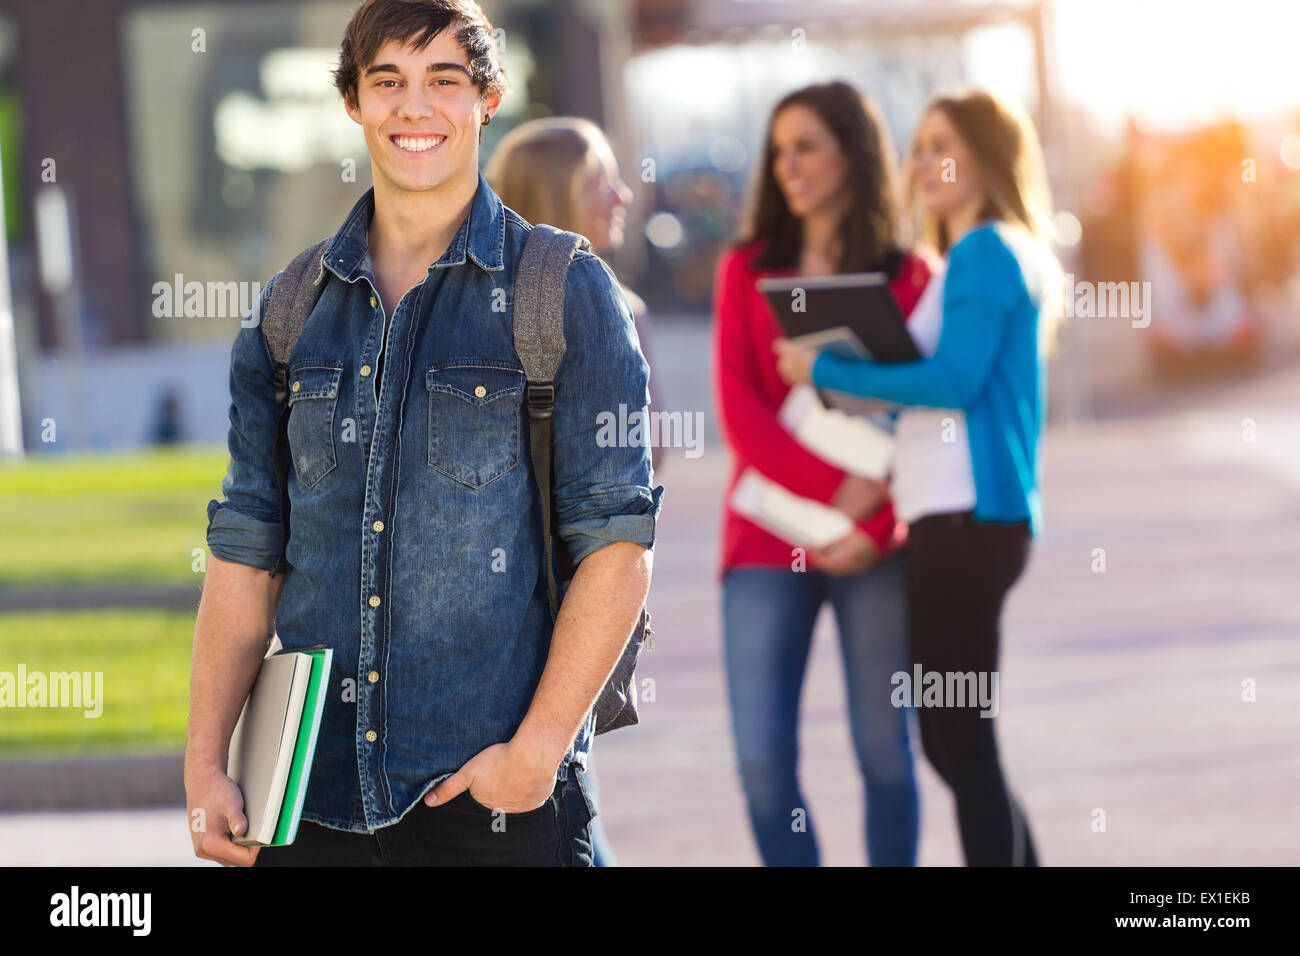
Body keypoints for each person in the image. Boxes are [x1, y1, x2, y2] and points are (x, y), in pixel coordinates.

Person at [185, 0, 662, 868]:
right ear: (353, 104)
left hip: (494, 808)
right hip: (309, 806)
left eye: (444, 80)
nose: (415, 107)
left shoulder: (561, 291)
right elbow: (247, 550)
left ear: (487, 99)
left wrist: (536, 754)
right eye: (388, 82)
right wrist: (206, 763)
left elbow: (617, 544)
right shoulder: (292, 309)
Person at [774, 89, 1060, 866]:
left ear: (987, 156)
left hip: (971, 521)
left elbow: (956, 381)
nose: (924, 161)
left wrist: (827, 367)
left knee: (958, 742)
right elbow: (933, 391)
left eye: (946, 143)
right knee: (957, 742)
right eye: (918, 143)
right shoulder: (962, 259)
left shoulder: (987, 252)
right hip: (953, 518)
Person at [713, 81, 931, 866]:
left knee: (884, 753)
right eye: (779, 151)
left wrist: (876, 526)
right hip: (767, 541)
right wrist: (837, 494)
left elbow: (928, 423)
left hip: (877, 549)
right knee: (763, 765)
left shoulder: (913, 278)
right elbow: (741, 412)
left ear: (854, 151)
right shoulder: (745, 270)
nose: (788, 165)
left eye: (806, 145)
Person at [485, 115, 658, 866]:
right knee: (561, 784)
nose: (622, 196)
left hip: (575, 589)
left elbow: (635, 489)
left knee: (560, 779)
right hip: (523, 601)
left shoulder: (616, 308)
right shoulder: (597, 311)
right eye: (600, 182)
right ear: (556, 193)